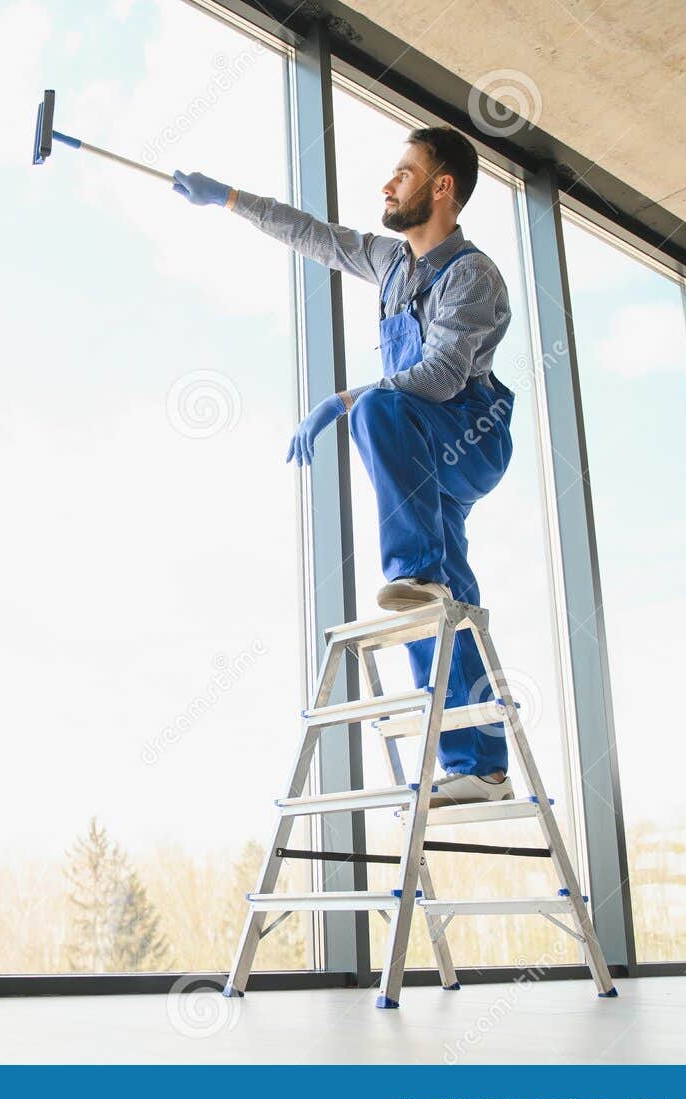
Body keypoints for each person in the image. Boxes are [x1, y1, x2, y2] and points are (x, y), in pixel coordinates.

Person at [171, 126, 515, 807]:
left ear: (442, 188)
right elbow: (312, 234)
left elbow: (444, 376)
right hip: (419, 450)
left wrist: (341, 400)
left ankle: (413, 574)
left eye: (404, 174)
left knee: (379, 413)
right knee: (442, 610)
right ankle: (482, 763)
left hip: (468, 435)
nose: (388, 186)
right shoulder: (390, 263)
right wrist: (229, 198)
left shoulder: (472, 275)